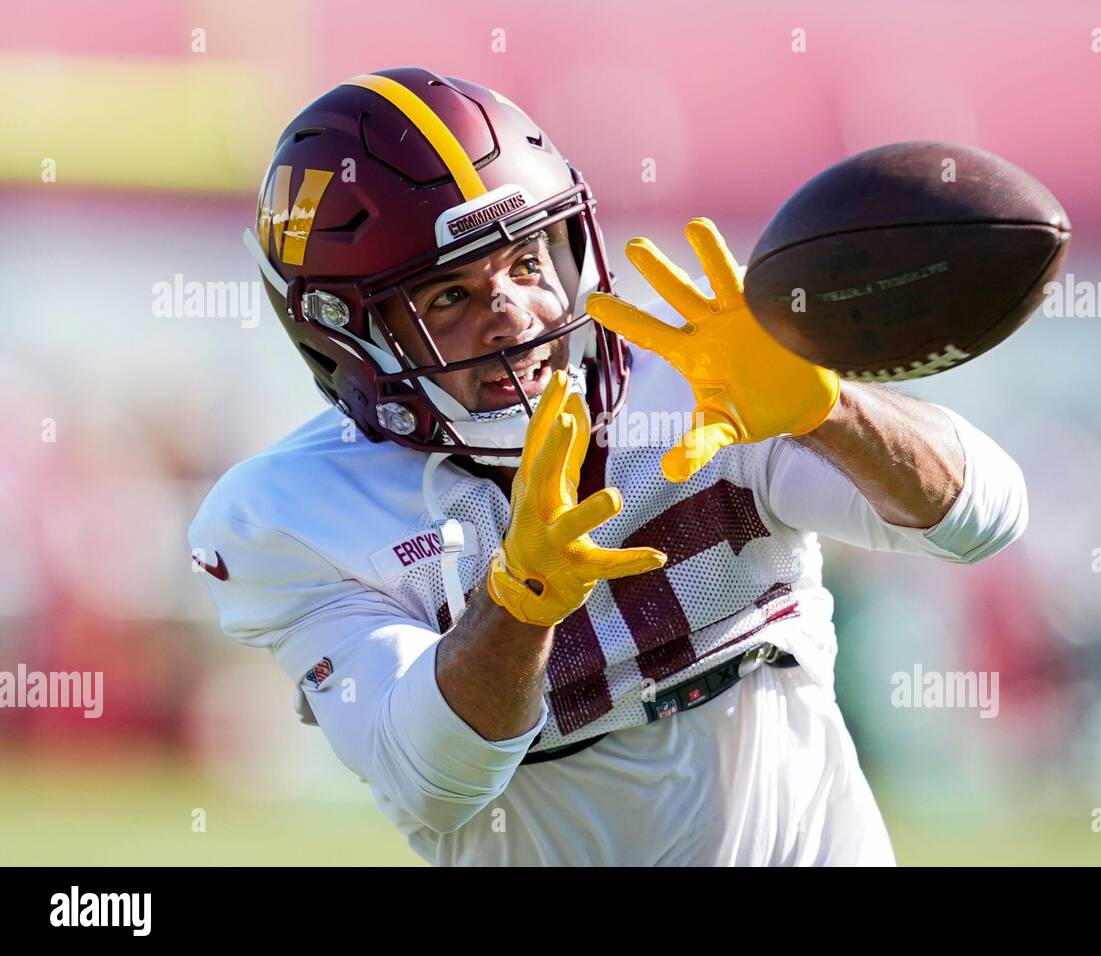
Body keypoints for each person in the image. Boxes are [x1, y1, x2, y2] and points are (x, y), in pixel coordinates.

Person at [189, 68, 1028, 865]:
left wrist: (831, 409)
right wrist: (519, 603)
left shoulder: (689, 369)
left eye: (525, 263)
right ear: (347, 339)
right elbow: (434, 781)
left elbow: (980, 520)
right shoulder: (294, 512)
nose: (515, 313)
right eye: (448, 296)